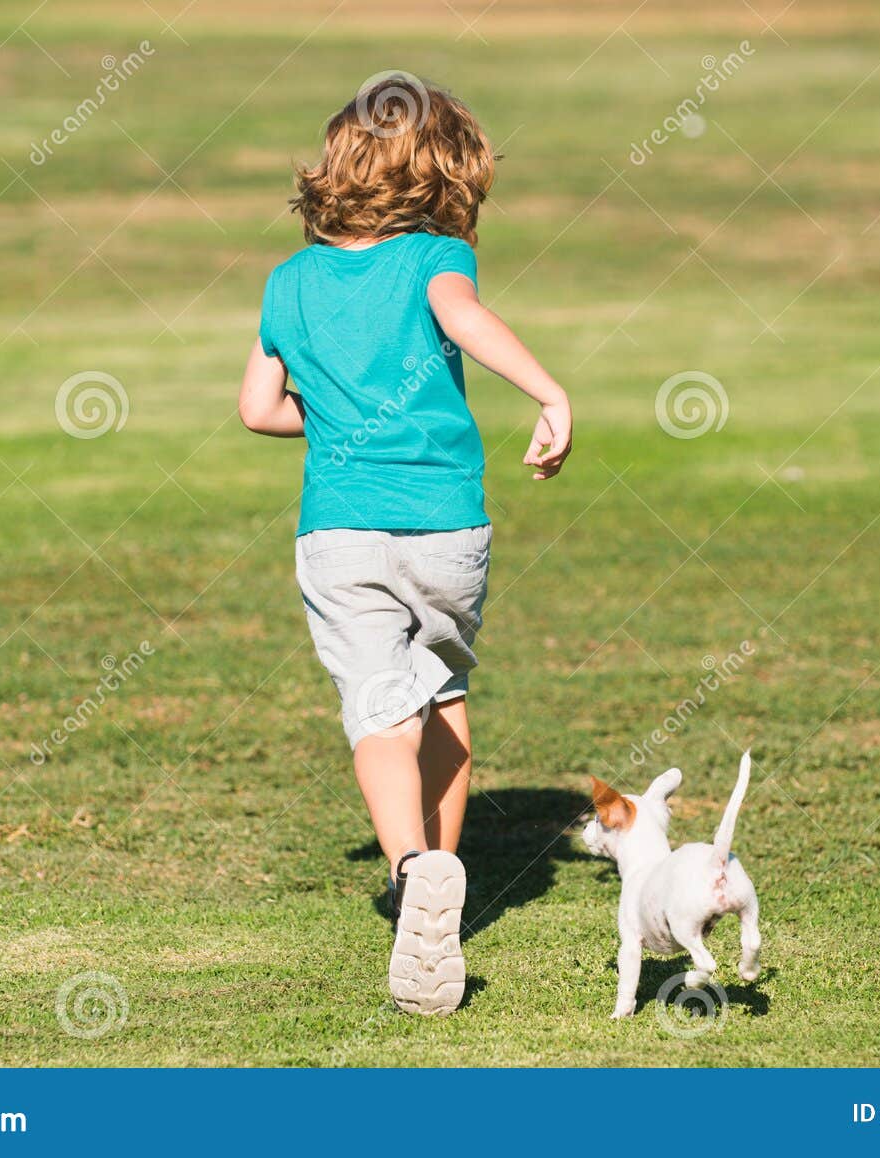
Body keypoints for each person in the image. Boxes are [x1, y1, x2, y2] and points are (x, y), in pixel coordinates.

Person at [237, 76, 573, 1014]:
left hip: (340, 529)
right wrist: (548, 392)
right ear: (447, 175)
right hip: (446, 526)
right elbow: (462, 320)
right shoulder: (439, 253)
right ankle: (446, 886)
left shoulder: (289, 280)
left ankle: (411, 869)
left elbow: (258, 408)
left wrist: (343, 422)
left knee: (379, 708)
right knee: (444, 692)